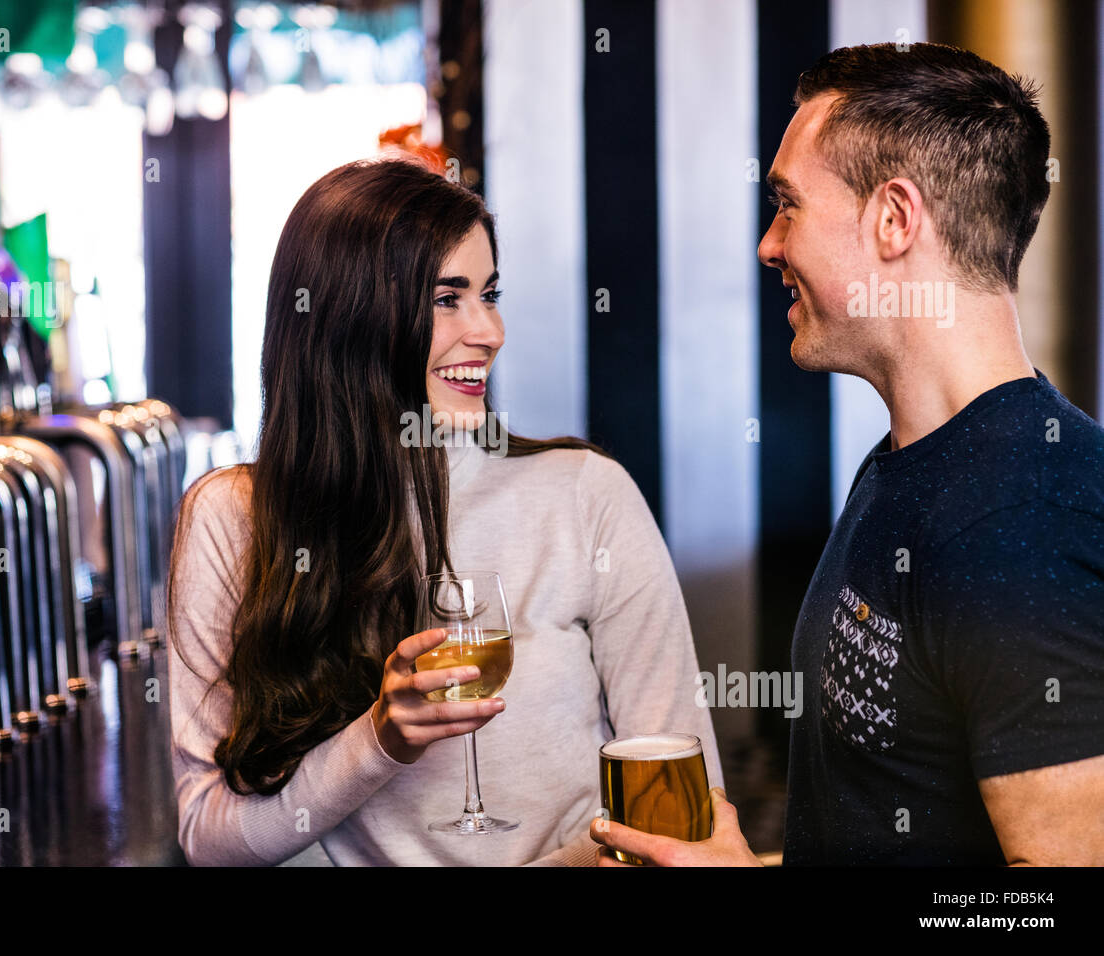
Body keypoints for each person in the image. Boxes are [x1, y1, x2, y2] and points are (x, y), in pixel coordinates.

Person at [592, 42, 1104, 866]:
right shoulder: (911, 463)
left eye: (788, 204)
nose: (768, 243)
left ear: (894, 219)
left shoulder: (1030, 521)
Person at [168, 156, 721, 866]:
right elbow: (210, 838)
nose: (488, 330)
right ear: (349, 316)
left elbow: (676, 799)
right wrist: (378, 741)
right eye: (446, 298)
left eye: (489, 294)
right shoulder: (232, 519)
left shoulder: (585, 493)